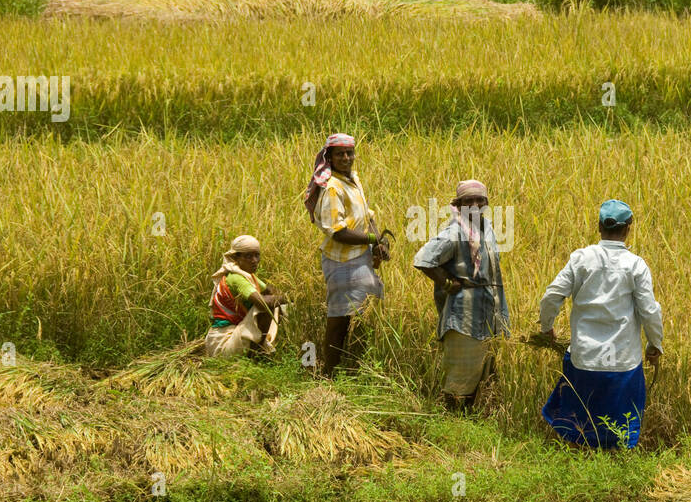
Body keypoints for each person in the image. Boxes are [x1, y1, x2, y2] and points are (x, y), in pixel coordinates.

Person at [538, 199, 663, 449]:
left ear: (598, 226)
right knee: (620, 427)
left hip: (584, 359)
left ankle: (577, 466)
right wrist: (654, 344)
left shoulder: (581, 259)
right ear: (628, 229)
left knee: (578, 425)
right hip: (622, 363)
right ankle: (615, 472)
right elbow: (649, 310)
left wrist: (546, 327)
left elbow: (551, 296)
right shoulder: (636, 265)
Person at [412, 179, 510, 412]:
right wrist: (445, 282)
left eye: (480, 200)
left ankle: (468, 425)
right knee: (459, 382)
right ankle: (451, 426)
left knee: (482, 377)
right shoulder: (455, 231)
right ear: (459, 204)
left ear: (486, 203)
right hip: (464, 317)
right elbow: (423, 259)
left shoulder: (487, 229)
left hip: (488, 314)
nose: (475, 205)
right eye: (468, 201)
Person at [302, 132, 392, 375]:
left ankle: (350, 369)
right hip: (341, 261)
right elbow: (338, 231)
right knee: (339, 318)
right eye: (339, 153)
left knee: (358, 314)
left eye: (349, 152)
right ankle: (328, 374)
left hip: (358, 257)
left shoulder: (353, 178)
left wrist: (376, 243)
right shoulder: (332, 187)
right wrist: (373, 239)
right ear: (328, 157)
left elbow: (368, 214)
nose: (346, 157)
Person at [205, 234, 288, 358]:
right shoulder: (236, 278)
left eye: (257, 255)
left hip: (234, 336)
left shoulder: (249, 277)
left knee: (275, 303)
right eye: (248, 256)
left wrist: (284, 298)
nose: (254, 260)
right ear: (236, 258)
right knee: (266, 306)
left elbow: (272, 291)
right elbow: (263, 303)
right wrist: (286, 298)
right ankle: (255, 355)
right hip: (222, 342)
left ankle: (257, 352)